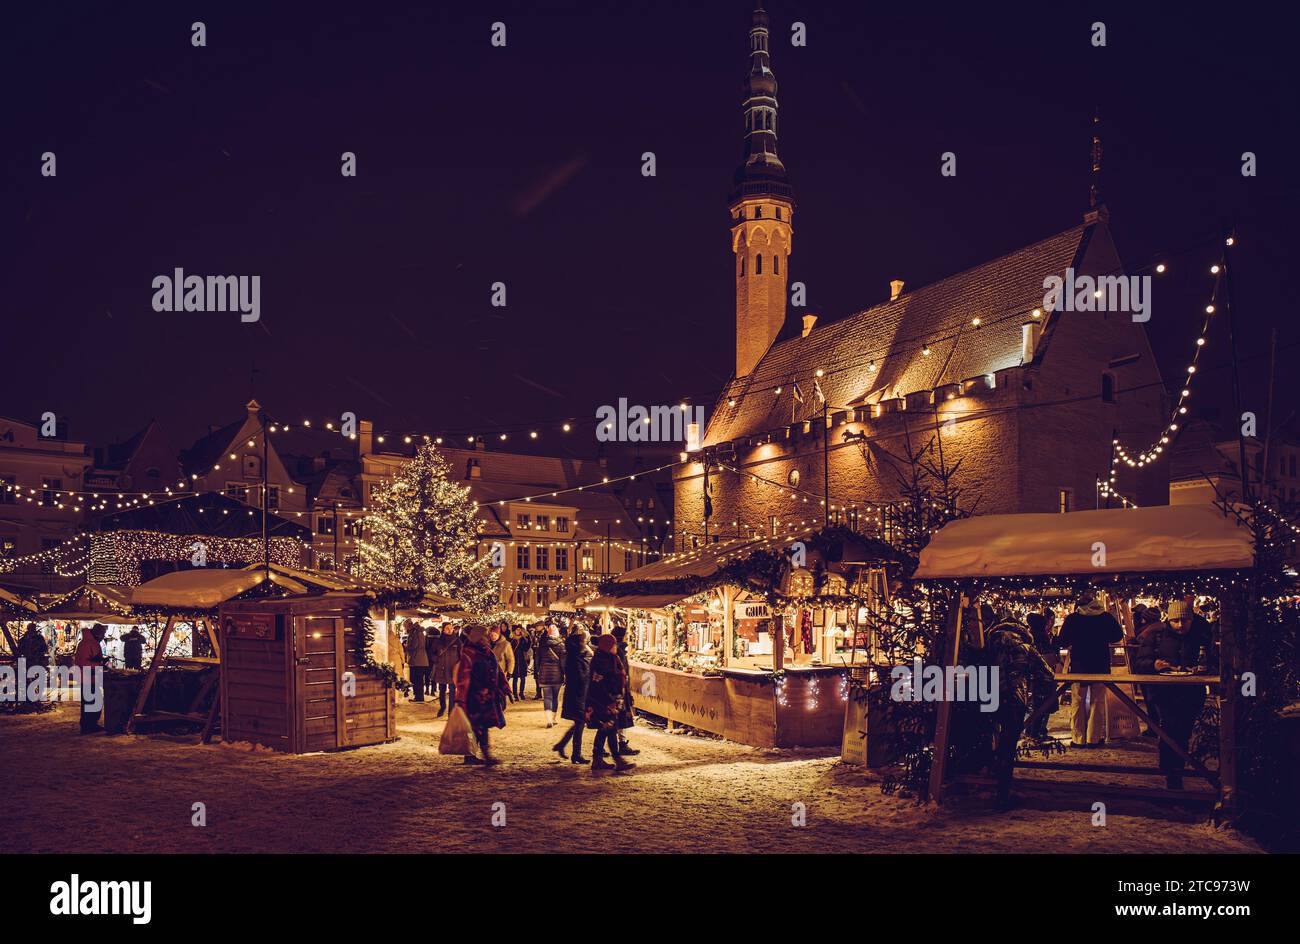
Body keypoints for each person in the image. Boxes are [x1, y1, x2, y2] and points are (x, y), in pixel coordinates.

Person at [1134, 600, 1213, 790]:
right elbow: (1140, 662)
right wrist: (1153, 666)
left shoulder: (1200, 637)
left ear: (1191, 620)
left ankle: (1175, 769)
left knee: (1183, 732)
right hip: (1165, 693)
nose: (1180, 625)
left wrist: (1202, 669)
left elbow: (1213, 662)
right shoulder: (1156, 635)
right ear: (1168, 619)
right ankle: (1172, 773)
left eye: (1184, 621)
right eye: (1176, 620)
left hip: (1191, 693)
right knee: (1169, 730)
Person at [983, 616, 1056, 808]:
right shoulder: (1025, 648)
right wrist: (1044, 699)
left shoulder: (986, 646)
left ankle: (986, 784)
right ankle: (1002, 795)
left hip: (985, 697)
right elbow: (1047, 675)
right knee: (1007, 746)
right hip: (1013, 699)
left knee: (986, 741)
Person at [1057, 592, 1122, 748]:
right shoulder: (1105, 617)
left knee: (1078, 701)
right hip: (1100, 664)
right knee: (1097, 701)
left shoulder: (1074, 618)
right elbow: (1117, 636)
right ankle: (1093, 738)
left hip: (1079, 664)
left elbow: (1063, 640)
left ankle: (1078, 738)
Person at [454, 625, 508, 765]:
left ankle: (477, 755)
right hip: (474, 696)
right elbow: (463, 676)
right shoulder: (469, 653)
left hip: (487, 695)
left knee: (482, 725)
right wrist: (464, 696)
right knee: (476, 726)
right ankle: (475, 755)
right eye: (484, 636)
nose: (487, 638)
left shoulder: (487, 651)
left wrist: (503, 686)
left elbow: (497, 670)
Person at [585, 635, 635, 772]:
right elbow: (600, 683)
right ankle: (615, 760)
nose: (615, 647)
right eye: (613, 645)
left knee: (607, 730)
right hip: (605, 702)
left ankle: (600, 759)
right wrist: (609, 701)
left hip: (612, 701)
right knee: (608, 729)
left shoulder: (609, 658)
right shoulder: (602, 661)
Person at [553, 628, 591, 764]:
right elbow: (580, 677)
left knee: (579, 723)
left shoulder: (578, 656)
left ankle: (562, 745)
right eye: (583, 641)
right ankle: (576, 754)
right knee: (580, 723)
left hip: (579, 695)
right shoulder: (575, 659)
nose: (585, 643)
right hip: (577, 695)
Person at [1024, 612, 1057, 738]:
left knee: (1035, 705)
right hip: (1042, 676)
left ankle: (1031, 731)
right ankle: (1035, 733)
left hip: (1032, 675)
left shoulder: (1029, 636)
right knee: (1042, 705)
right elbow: (1048, 657)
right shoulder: (1041, 637)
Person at [74, 623, 109, 734]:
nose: (103, 636)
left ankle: (90, 724)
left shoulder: (90, 642)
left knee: (93, 701)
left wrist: (100, 661)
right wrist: (99, 664)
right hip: (88, 677)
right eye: (103, 634)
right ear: (97, 633)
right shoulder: (88, 643)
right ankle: (88, 726)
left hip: (91, 676)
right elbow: (83, 662)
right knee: (91, 702)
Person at [609, 624, 639, 756]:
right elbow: (620, 673)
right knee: (617, 718)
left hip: (619, 689)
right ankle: (620, 745)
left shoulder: (617, 651)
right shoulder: (618, 653)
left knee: (615, 719)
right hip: (618, 690)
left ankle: (616, 746)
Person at [534, 625, 566, 727]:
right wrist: (565, 674)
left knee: (547, 697)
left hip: (544, 674)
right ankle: (554, 718)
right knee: (555, 698)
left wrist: (537, 672)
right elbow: (563, 663)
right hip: (557, 675)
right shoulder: (561, 646)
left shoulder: (542, 645)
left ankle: (548, 720)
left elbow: (537, 661)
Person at [433, 625, 462, 716]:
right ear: (443, 630)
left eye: (451, 628)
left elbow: (462, 655)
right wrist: (436, 659)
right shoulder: (438, 641)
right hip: (441, 669)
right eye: (447, 628)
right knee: (442, 690)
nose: (449, 630)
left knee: (452, 691)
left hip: (453, 670)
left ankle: (451, 711)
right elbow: (431, 653)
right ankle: (442, 707)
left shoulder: (457, 641)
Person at [490, 625, 516, 702]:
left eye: (495, 635)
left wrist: (509, 672)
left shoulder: (505, 644)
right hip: (489, 673)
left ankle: (501, 706)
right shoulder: (487, 644)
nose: (493, 637)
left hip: (501, 672)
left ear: (498, 634)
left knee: (500, 692)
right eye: (491, 635)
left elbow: (511, 659)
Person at [405, 621, 430, 703]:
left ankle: (418, 698)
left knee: (416, 679)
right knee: (418, 679)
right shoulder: (419, 631)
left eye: (405, 627)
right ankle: (419, 697)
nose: (405, 629)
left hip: (417, 660)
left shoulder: (415, 632)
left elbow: (415, 646)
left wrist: (406, 647)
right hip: (421, 660)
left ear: (409, 626)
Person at [511, 626, 533, 701]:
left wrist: (528, 638)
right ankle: (515, 694)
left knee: (523, 678)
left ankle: (521, 693)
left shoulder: (523, 639)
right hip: (515, 661)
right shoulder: (512, 639)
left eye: (519, 630)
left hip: (522, 661)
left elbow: (527, 648)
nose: (518, 631)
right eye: (517, 630)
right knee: (515, 679)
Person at [425, 623, 445, 696]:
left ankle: (427, 689)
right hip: (435, 660)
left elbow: (426, 648)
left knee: (427, 674)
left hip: (427, 659)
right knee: (433, 675)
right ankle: (433, 690)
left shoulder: (426, 639)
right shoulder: (438, 640)